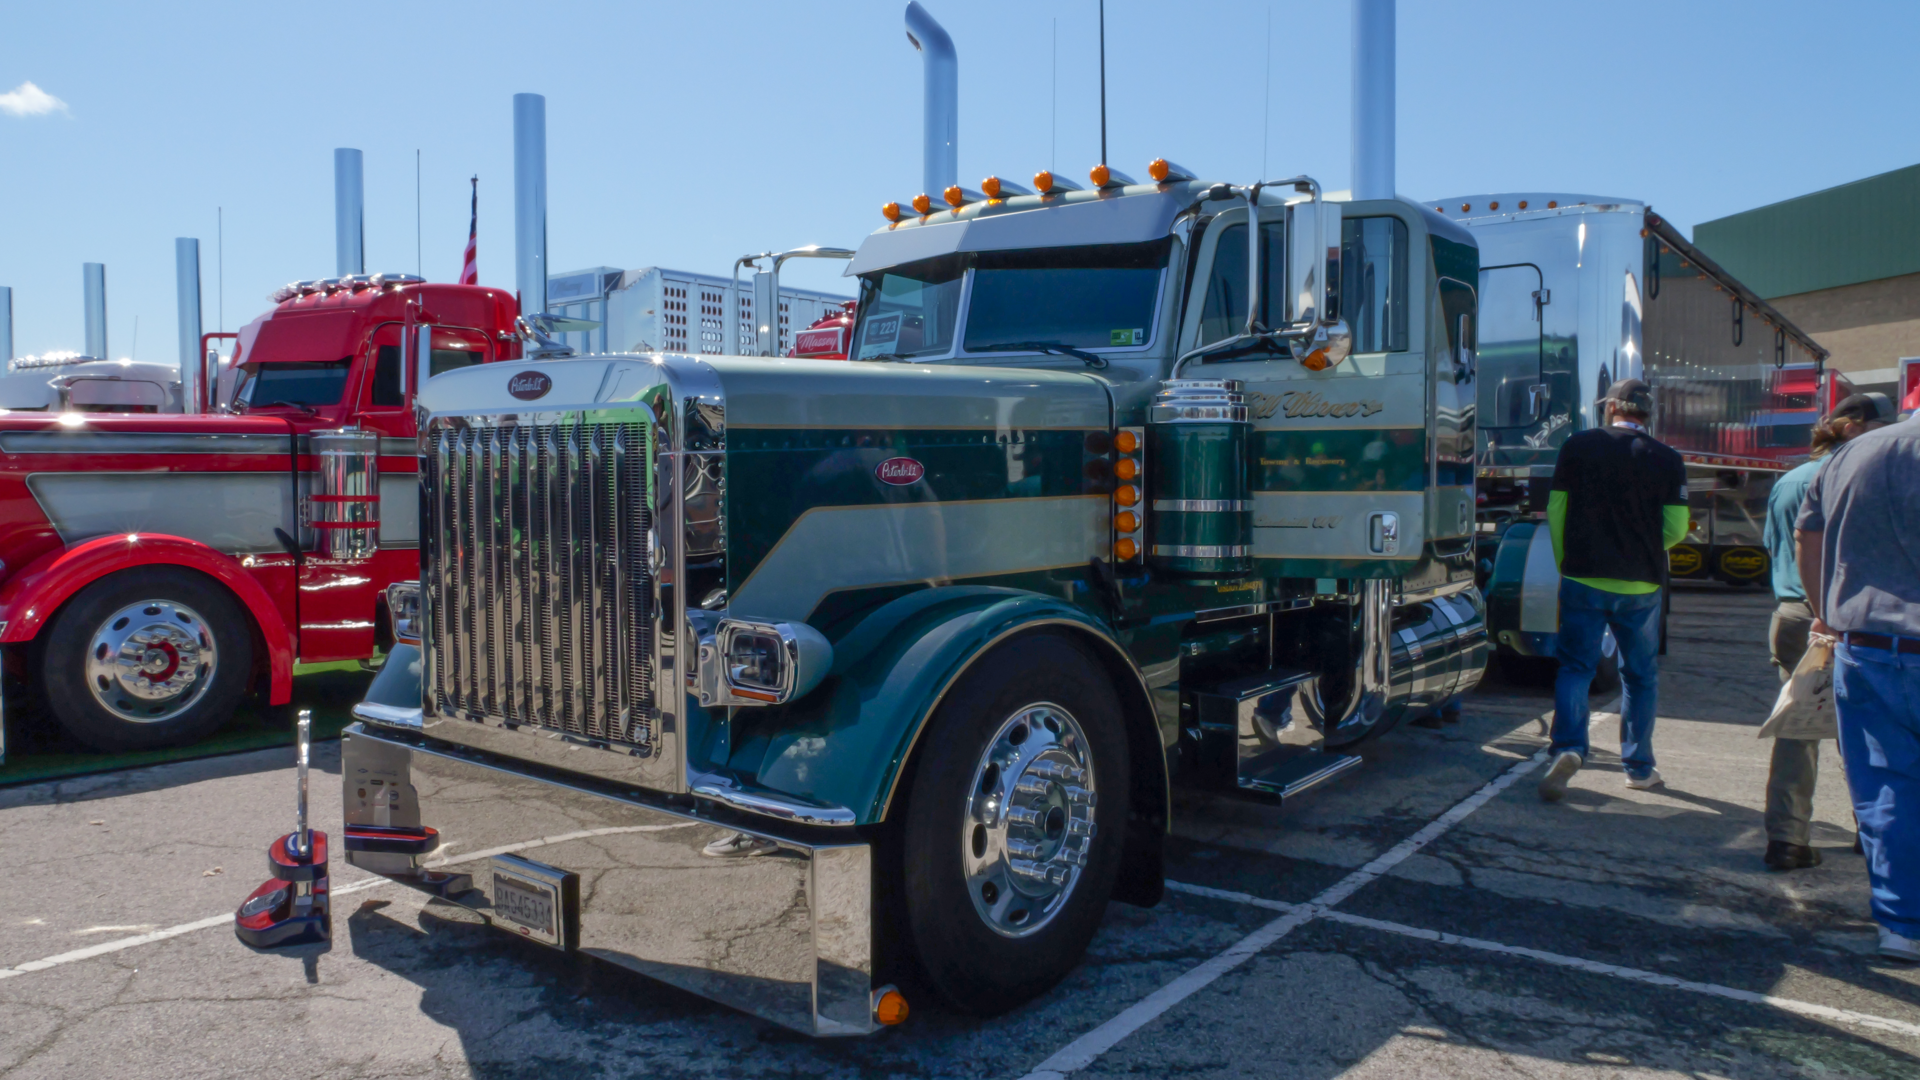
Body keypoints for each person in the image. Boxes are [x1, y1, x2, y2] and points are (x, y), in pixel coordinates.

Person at [1795, 405, 1920, 963]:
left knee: (1885, 788)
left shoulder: (1849, 454)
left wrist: (1825, 613)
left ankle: (1899, 924)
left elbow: (1807, 536)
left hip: (1866, 647)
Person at [1539, 379, 1689, 801]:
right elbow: (1676, 528)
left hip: (1583, 577)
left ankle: (1568, 747)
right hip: (1640, 583)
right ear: (1647, 414)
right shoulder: (1668, 458)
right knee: (1640, 676)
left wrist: (1566, 561)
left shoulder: (1578, 446)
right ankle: (1639, 768)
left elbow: (1556, 511)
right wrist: (1640, 547)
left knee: (1575, 668)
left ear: (1609, 409)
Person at [1758, 394, 1886, 870]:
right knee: (1868, 729)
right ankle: (1870, 830)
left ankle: (1787, 838)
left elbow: (1774, 546)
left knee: (1798, 725)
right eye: (1879, 426)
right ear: (1852, 427)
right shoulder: (1866, 475)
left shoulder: (1789, 479)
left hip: (1792, 615)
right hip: (1847, 617)